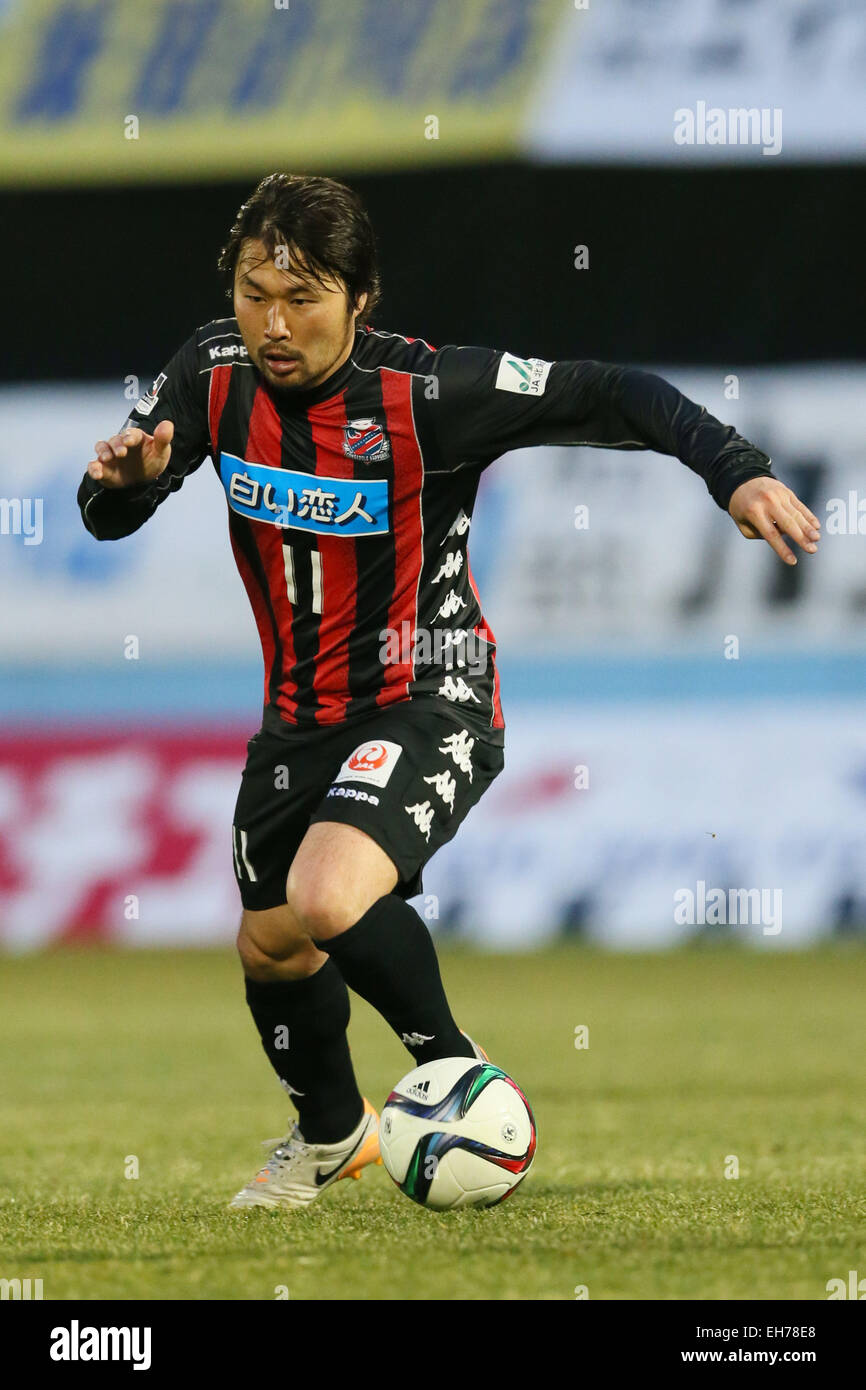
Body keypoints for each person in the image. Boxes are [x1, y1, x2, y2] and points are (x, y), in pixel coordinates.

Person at [77, 173, 821, 1210]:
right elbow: (111, 511)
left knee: (327, 895)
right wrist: (119, 484)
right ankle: (333, 1134)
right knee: (272, 942)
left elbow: (608, 389)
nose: (274, 323)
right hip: (298, 714)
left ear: (361, 298)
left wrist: (731, 468)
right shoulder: (209, 372)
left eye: (304, 299)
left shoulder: (432, 394)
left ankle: (462, 1079)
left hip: (434, 692)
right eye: (255, 294)